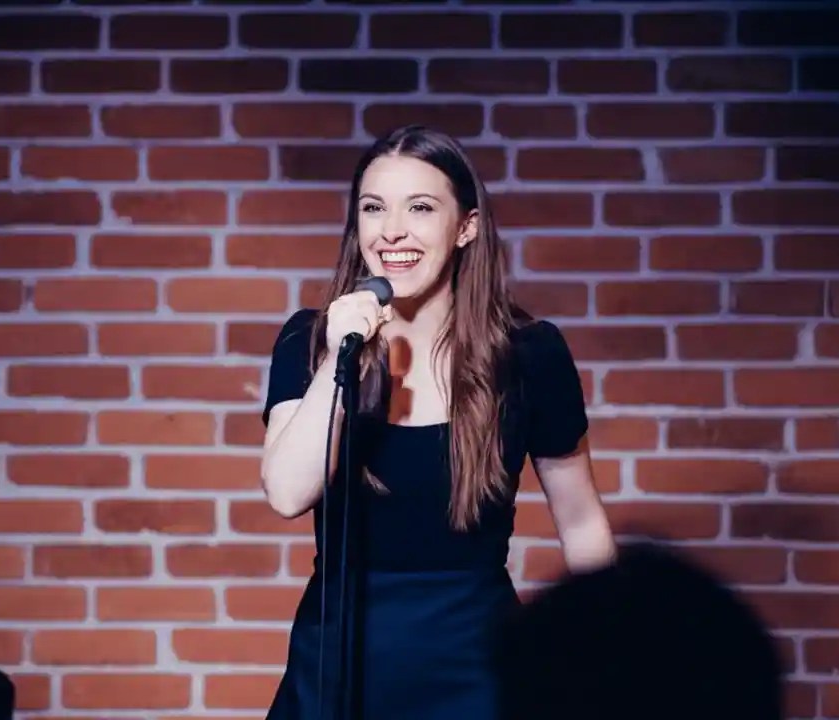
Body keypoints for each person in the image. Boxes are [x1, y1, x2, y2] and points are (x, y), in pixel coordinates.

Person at [259, 124, 617, 720]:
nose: (391, 230)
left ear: (466, 228)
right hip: (338, 666)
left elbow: (581, 523)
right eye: (373, 209)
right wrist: (340, 352)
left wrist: (608, 658)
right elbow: (289, 492)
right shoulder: (311, 340)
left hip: (477, 669)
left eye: (420, 208)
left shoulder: (530, 354)